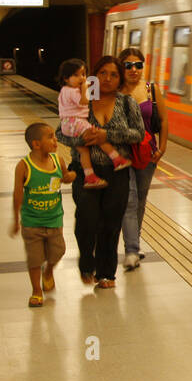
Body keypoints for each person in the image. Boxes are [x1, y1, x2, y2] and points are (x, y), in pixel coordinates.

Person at [56, 56, 143, 289]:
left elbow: (139, 134)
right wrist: (80, 137)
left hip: (118, 172)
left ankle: (106, 273)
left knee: (111, 223)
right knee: (87, 220)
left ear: (120, 78)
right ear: (93, 75)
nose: (107, 79)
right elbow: (60, 133)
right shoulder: (81, 99)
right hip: (86, 172)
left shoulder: (127, 103)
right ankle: (87, 262)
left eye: (114, 74)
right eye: (103, 73)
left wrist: (108, 136)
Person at [10, 123, 77, 307]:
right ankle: (36, 290)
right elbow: (17, 194)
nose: (55, 140)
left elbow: (64, 177)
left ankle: (49, 271)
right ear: (36, 144)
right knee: (34, 258)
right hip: (31, 221)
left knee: (59, 251)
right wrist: (16, 219)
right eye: (50, 137)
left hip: (54, 218)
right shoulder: (24, 166)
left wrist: (70, 176)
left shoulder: (58, 161)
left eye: (54, 136)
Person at [118, 47, 169, 270]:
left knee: (140, 200)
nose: (134, 70)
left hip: (147, 154)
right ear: (121, 67)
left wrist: (163, 148)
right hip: (121, 155)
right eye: (128, 65)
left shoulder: (151, 90)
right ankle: (131, 250)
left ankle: (134, 244)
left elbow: (164, 120)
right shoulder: (114, 90)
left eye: (138, 65)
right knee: (129, 201)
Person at [57, 57, 129, 187]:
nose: (82, 78)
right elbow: (84, 101)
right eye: (76, 75)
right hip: (76, 122)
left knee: (84, 152)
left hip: (68, 124)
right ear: (65, 78)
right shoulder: (72, 91)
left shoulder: (64, 91)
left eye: (83, 74)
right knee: (99, 136)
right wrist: (85, 88)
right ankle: (117, 159)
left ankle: (89, 176)